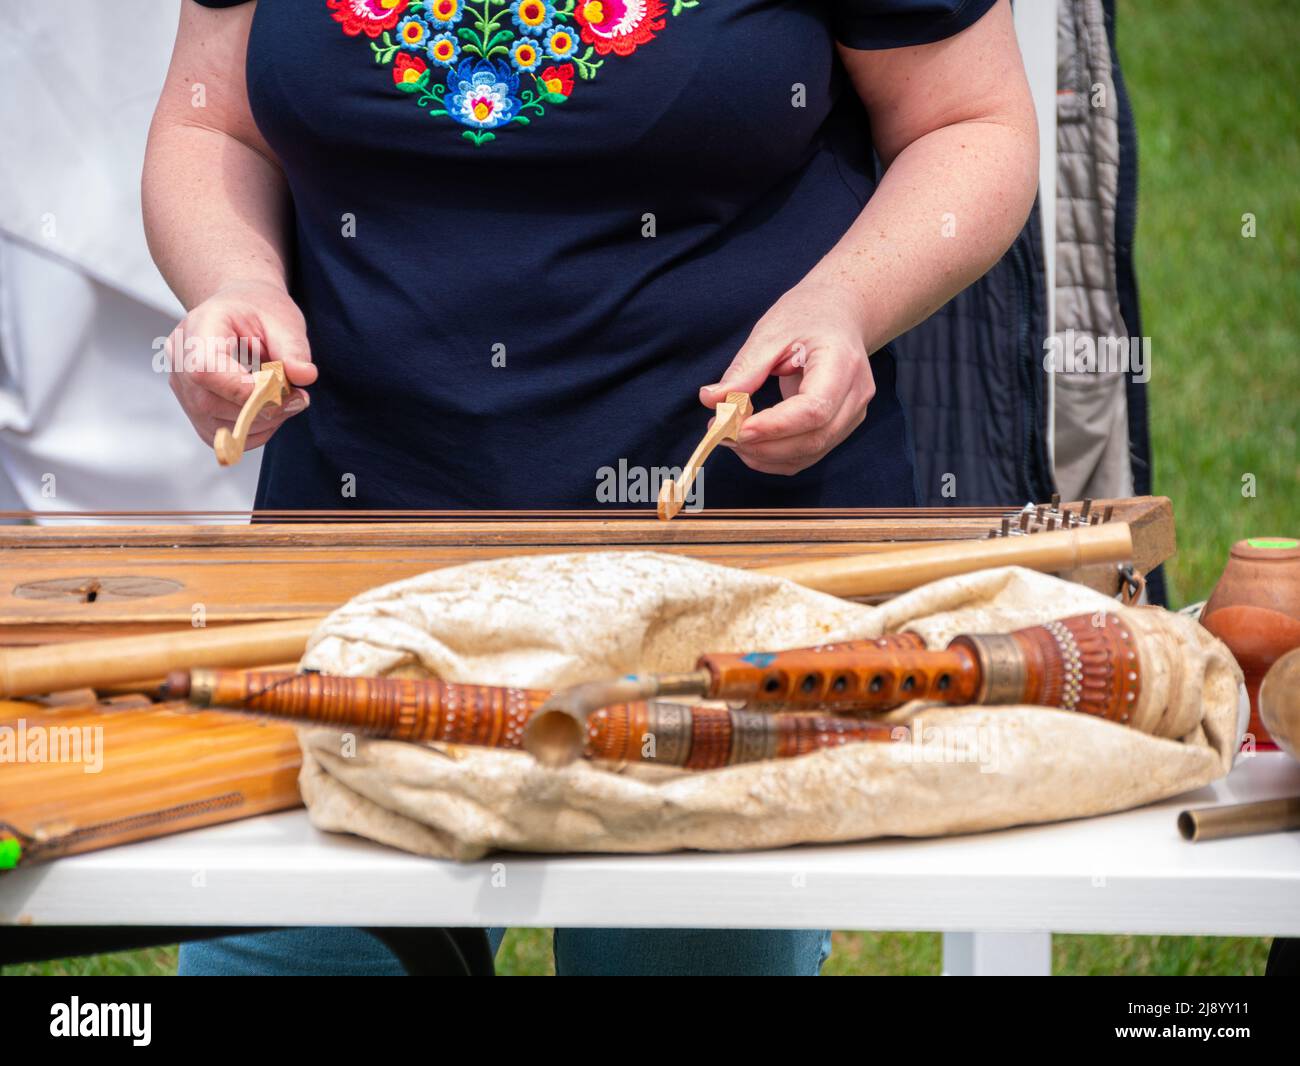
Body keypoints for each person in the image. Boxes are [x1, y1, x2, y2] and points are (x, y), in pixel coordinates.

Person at [144, 0, 1038, 975]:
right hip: (354, 579)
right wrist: (233, 277)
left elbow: (968, 120)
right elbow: (212, 118)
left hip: (715, 604)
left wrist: (843, 302)